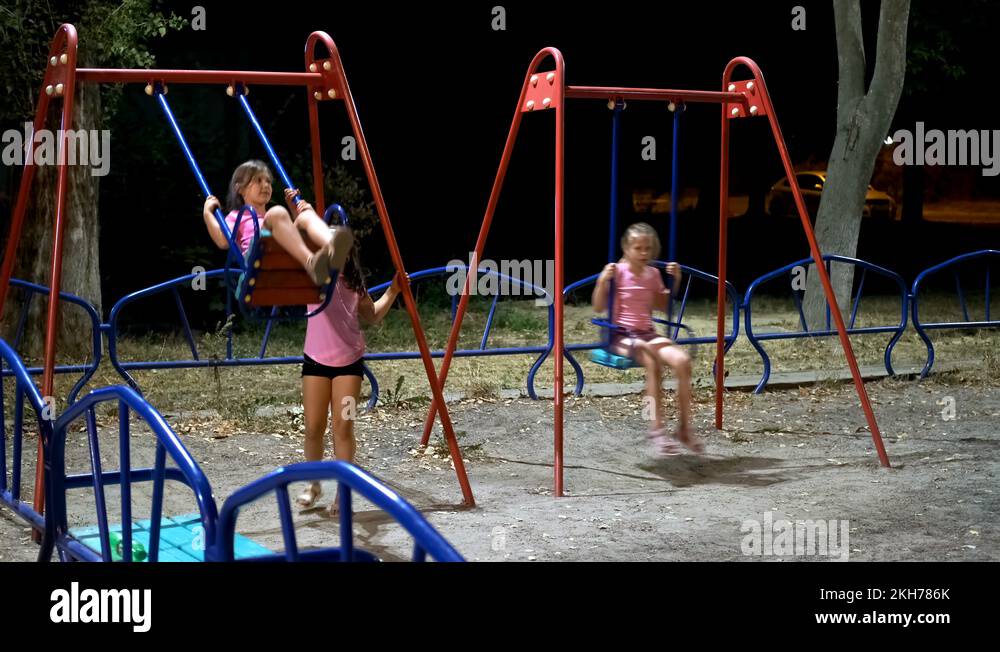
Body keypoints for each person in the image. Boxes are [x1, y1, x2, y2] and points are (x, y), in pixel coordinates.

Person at [295, 241, 404, 516]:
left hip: (350, 365)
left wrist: (393, 290)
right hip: (315, 363)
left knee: (343, 427)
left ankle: (344, 492)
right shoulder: (314, 277)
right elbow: (296, 240)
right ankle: (314, 483)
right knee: (313, 427)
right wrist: (299, 209)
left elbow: (373, 315)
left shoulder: (355, 286)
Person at [591, 222, 702, 456]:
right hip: (619, 335)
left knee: (682, 361)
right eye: (638, 248)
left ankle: (684, 428)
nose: (643, 253)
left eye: (647, 248)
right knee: (651, 358)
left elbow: (662, 306)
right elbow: (599, 306)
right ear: (626, 248)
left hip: (647, 333)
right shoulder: (616, 272)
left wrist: (675, 281)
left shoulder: (652, 273)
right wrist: (602, 280)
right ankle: (655, 428)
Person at [201, 160, 352, 284]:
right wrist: (208, 213)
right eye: (258, 181)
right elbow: (222, 240)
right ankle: (312, 262)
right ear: (240, 189)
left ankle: (334, 249)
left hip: (283, 258)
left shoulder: (272, 219)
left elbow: (292, 239)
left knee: (305, 214)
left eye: (268, 181)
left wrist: (295, 212)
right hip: (258, 262)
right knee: (278, 213)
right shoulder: (238, 215)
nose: (266, 185)